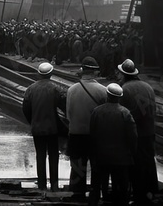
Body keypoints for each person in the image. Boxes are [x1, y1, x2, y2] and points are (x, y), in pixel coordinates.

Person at [88, 83, 137, 206]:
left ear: (107, 95)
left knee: (98, 183)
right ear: (119, 97)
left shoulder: (96, 111)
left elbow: (92, 135)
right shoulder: (125, 113)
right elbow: (133, 136)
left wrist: (93, 156)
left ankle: (100, 199)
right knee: (120, 187)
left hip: (101, 157)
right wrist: (132, 154)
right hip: (121, 158)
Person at [66, 56, 108, 199]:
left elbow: (68, 114)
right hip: (96, 136)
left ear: (82, 71)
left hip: (76, 133)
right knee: (97, 166)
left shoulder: (71, 90)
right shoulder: (103, 91)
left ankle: (77, 193)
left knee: (77, 166)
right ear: (95, 73)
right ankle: (96, 192)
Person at [117, 59, 157, 203]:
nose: (118, 76)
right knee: (149, 161)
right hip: (149, 131)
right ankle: (151, 191)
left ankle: (138, 194)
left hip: (135, 133)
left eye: (120, 74)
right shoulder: (148, 86)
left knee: (135, 164)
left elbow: (121, 113)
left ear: (124, 74)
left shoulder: (125, 89)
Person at [22, 62, 65, 192]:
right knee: (53, 156)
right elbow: (63, 106)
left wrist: (33, 121)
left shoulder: (30, 89)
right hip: (52, 128)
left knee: (40, 155)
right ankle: (54, 185)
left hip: (37, 128)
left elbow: (25, 109)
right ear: (51, 74)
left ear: (39, 74)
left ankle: (41, 185)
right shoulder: (56, 88)